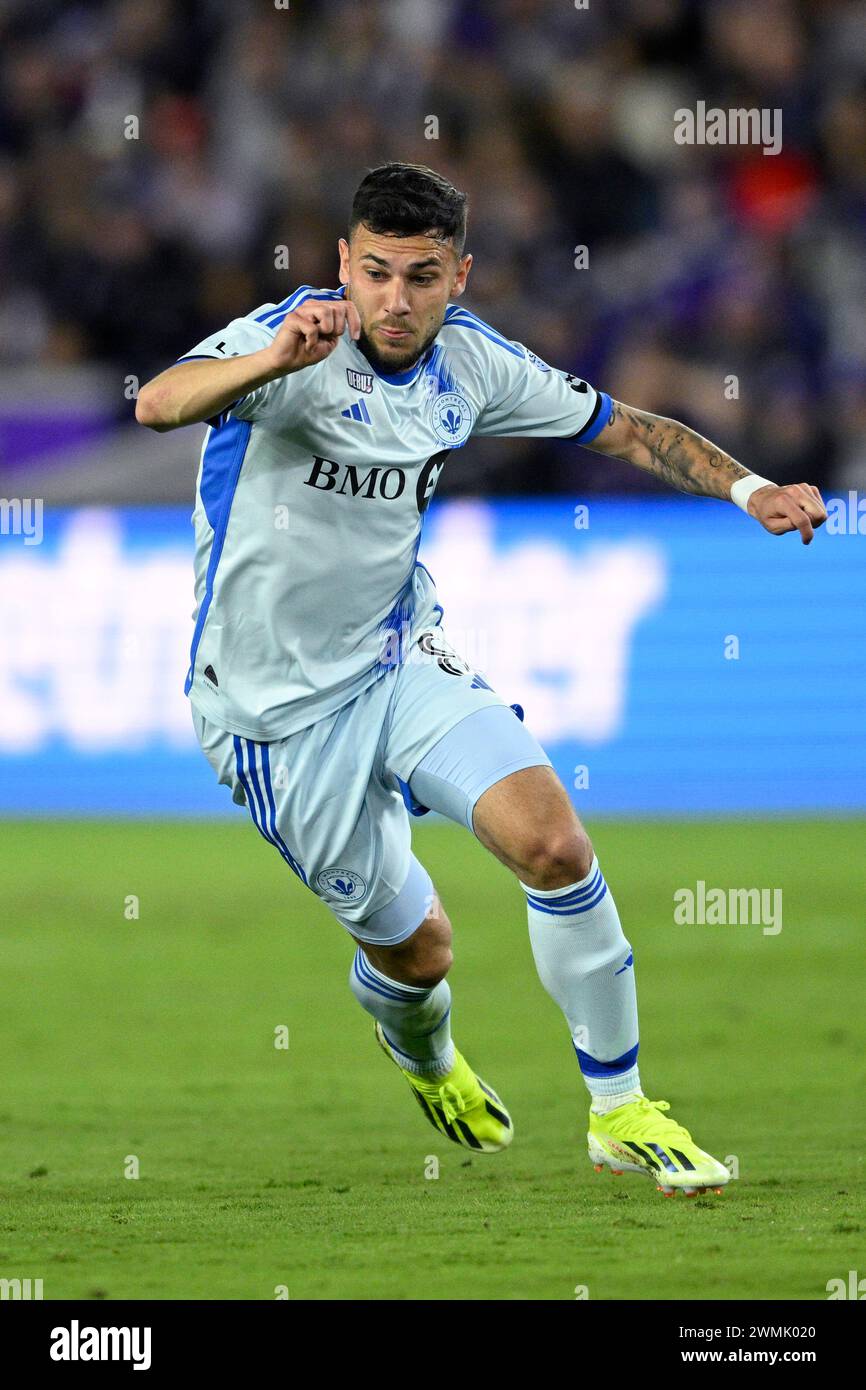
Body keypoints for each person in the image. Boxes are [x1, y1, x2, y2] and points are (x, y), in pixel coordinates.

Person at [136, 163, 826, 1196]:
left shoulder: (473, 366)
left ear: (459, 275)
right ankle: (424, 1056)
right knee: (421, 952)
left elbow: (630, 428)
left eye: (420, 276)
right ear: (343, 265)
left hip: (396, 654)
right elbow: (156, 403)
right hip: (271, 716)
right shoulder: (283, 340)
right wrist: (269, 362)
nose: (394, 300)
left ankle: (619, 1106)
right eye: (374, 273)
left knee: (551, 843)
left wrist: (749, 487)